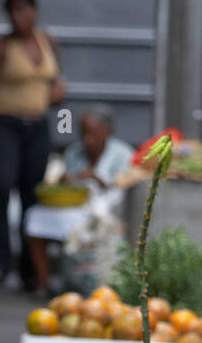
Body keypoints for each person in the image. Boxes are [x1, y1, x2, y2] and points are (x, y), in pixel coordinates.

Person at [0, 0, 64, 287]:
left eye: (23, 10)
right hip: (3, 123)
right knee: (1, 185)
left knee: (31, 192)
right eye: (13, 11)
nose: (18, 17)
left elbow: (56, 80)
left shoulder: (48, 42)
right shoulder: (0, 49)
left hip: (36, 124)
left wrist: (56, 94)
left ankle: (31, 267)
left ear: (34, 12)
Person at [24, 106, 133, 294]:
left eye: (93, 134)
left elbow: (124, 187)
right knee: (35, 217)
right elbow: (62, 181)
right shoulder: (74, 152)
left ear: (106, 132)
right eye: (84, 134)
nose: (87, 140)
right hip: (74, 206)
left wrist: (97, 178)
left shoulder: (123, 153)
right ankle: (44, 283)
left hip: (107, 210)